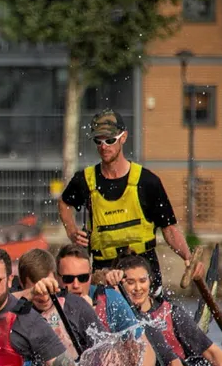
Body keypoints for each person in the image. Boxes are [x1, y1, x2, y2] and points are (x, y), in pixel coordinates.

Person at [58, 109, 194, 294]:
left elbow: (169, 228)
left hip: (144, 273)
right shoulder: (84, 180)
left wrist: (188, 258)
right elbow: (64, 203)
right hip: (103, 273)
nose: (104, 146)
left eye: (110, 140)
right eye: (98, 141)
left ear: (123, 137)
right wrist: (72, 231)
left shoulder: (148, 182)